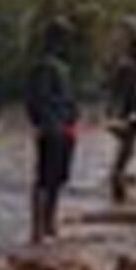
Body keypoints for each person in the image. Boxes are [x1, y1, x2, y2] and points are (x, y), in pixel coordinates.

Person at [23, 17, 79, 245]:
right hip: (52, 130)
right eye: (63, 38)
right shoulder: (44, 67)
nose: (66, 44)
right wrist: (45, 125)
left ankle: (50, 225)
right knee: (44, 179)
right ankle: (37, 230)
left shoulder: (63, 68)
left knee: (58, 179)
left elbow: (68, 101)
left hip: (66, 130)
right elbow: (37, 101)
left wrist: (73, 119)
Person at [106, 23, 136, 203]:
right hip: (125, 118)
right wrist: (119, 117)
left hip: (132, 116)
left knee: (128, 151)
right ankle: (117, 188)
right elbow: (121, 94)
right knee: (125, 152)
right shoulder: (127, 68)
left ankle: (119, 185)